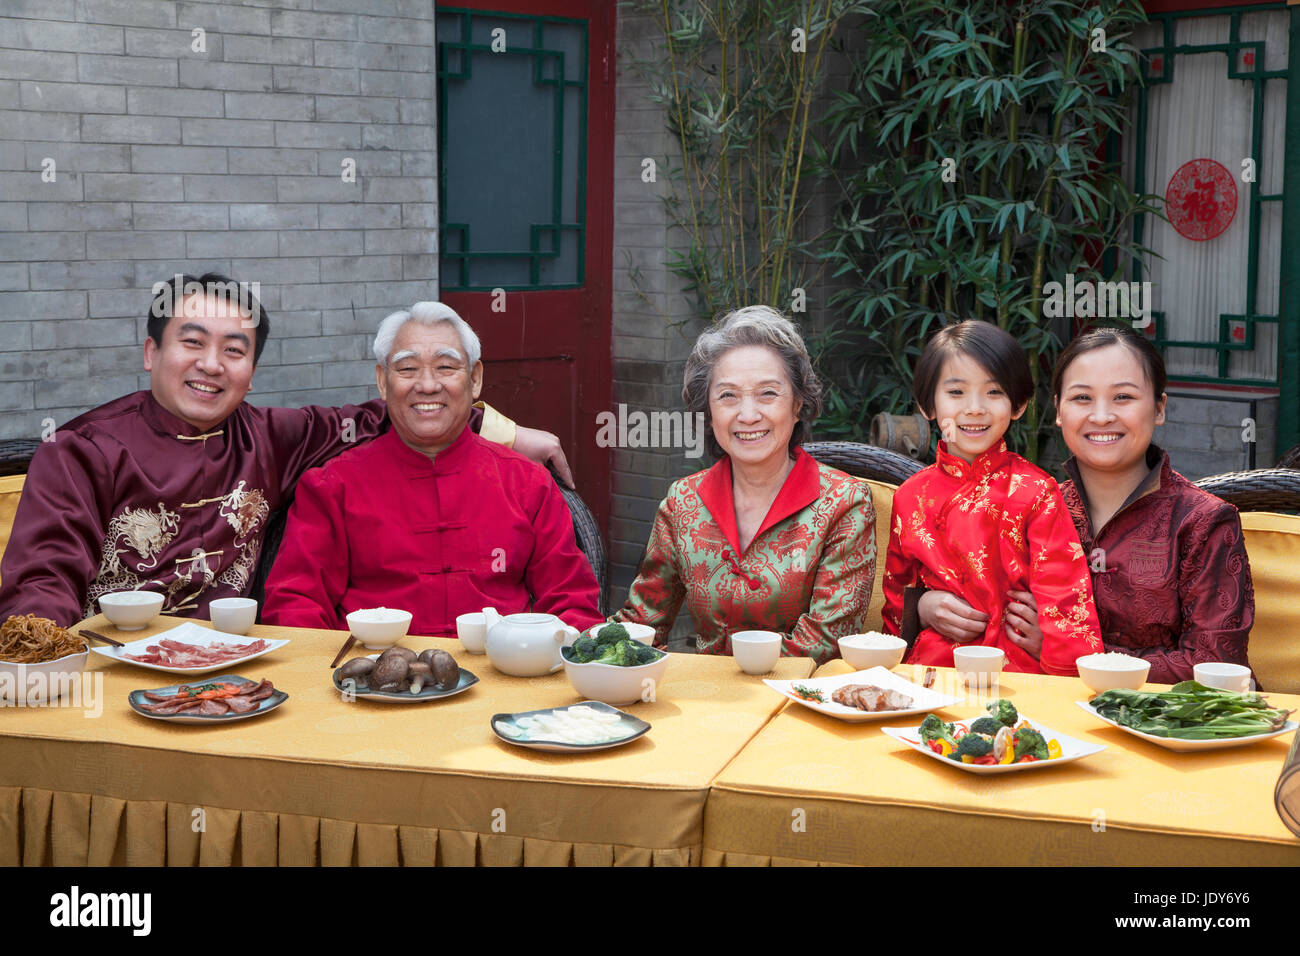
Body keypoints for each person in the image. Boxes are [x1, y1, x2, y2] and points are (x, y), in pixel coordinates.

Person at [0, 274, 572, 628]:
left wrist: (506, 433)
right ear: (151, 352)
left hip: (233, 670)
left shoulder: (271, 437)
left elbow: (395, 410)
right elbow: (42, 580)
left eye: (234, 349)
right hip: (113, 673)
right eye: (191, 343)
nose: (211, 364)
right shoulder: (81, 451)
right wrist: (37, 663)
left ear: (252, 370)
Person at [918, 326, 1255, 684]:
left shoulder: (1204, 522)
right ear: (1059, 411)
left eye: (1123, 397)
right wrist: (924, 608)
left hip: (1164, 725)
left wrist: (1072, 653)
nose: (1101, 416)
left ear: (1159, 408)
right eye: (1081, 398)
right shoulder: (1029, 505)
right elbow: (972, 593)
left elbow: (1216, 664)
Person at [260, 302, 603, 636]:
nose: (427, 385)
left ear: (475, 378)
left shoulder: (528, 483)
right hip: (370, 684)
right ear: (383, 381)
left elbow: (572, 604)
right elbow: (295, 607)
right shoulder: (332, 486)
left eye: (445, 367)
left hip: (503, 679)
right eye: (407, 369)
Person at [610, 306, 876, 664]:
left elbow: (824, 644)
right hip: (708, 705)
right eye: (728, 396)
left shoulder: (844, 502)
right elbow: (643, 620)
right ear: (709, 410)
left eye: (768, 393)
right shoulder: (684, 501)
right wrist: (587, 650)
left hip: (801, 703)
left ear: (798, 404)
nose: (748, 415)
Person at [881, 320, 1102, 675]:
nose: (974, 408)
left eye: (993, 392)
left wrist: (1060, 658)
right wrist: (919, 609)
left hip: (1016, 667)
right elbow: (896, 596)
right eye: (956, 392)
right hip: (933, 668)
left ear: (1018, 404)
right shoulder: (910, 496)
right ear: (928, 404)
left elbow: (1065, 599)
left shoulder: (1035, 490)